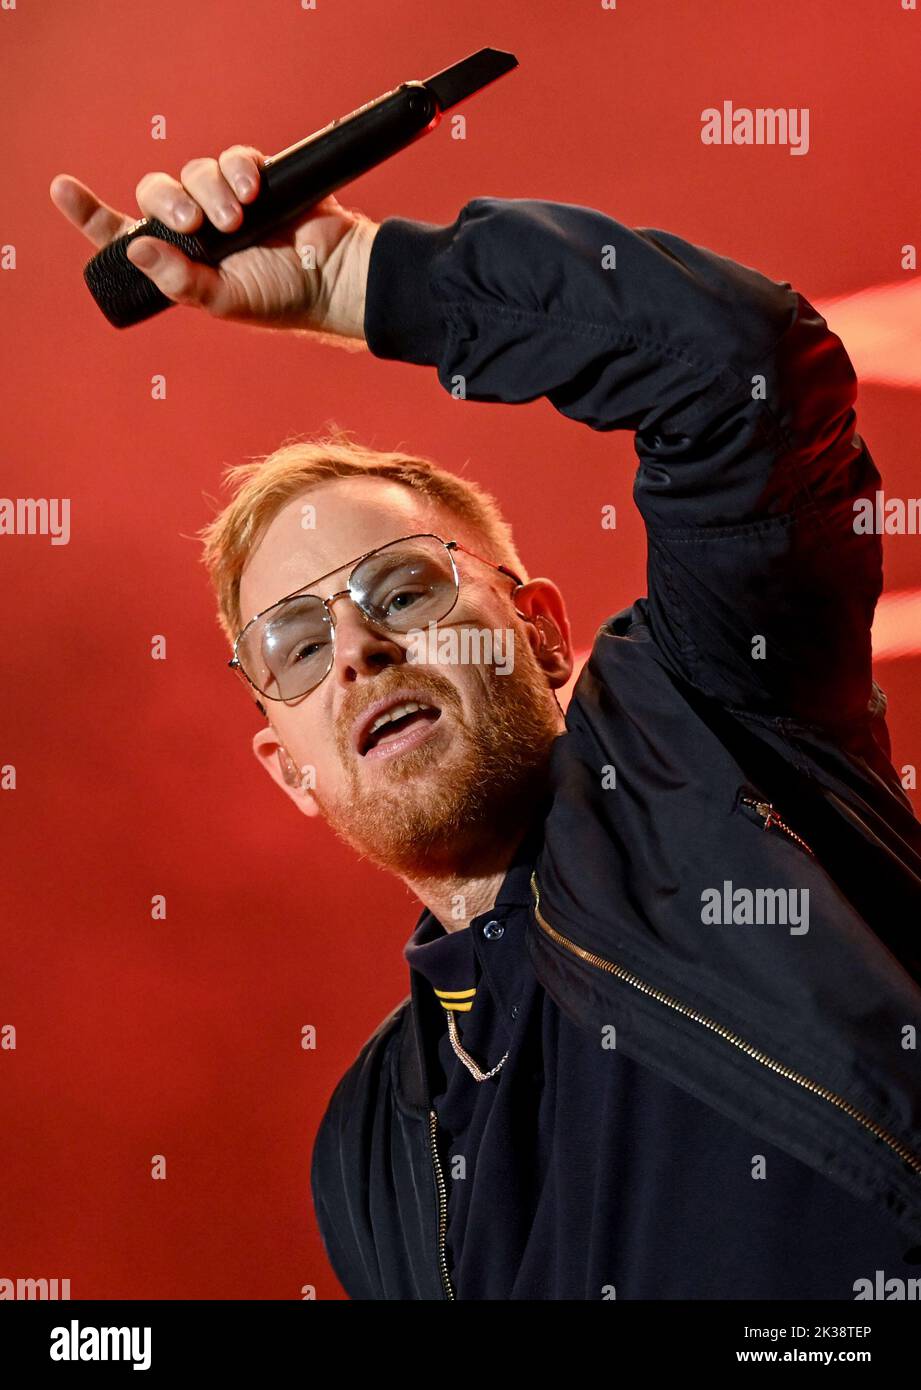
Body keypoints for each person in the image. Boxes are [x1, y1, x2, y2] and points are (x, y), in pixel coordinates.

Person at [50, 146, 921, 1301]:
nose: (358, 648)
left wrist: (363, 277)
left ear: (543, 631)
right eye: (298, 646)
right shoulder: (371, 1142)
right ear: (290, 771)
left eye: (402, 589)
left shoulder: (708, 726)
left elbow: (743, 372)